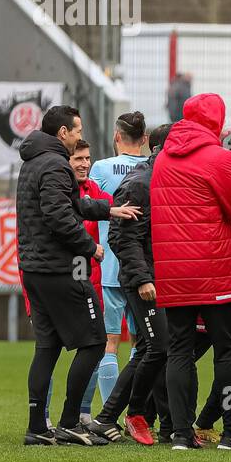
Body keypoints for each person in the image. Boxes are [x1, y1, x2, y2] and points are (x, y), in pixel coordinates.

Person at [17, 105, 138, 445]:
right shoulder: (55, 164)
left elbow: (71, 204)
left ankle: (37, 428)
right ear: (62, 134)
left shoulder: (32, 163)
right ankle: (72, 421)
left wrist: (108, 209)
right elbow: (59, 217)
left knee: (48, 348)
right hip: (59, 270)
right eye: (77, 130)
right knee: (96, 341)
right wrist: (89, 247)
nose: (80, 137)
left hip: (35, 270)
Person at [151, 92, 231, 451]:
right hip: (215, 267)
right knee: (227, 352)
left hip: (173, 269)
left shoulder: (164, 158)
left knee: (179, 350)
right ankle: (230, 430)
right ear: (216, 121)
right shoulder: (218, 157)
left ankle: (181, 433)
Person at [86, 124, 174, 446]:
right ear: (158, 148)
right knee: (154, 347)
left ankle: (109, 417)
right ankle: (129, 415)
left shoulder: (163, 181)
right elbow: (121, 237)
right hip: (140, 280)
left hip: (157, 278)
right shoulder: (139, 183)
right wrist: (142, 278)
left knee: (150, 348)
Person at [87, 111, 149, 423]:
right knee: (145, 346)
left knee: (110, 342)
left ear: (117, 136)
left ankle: (108, 414)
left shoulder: (100, 168)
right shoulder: (150, 169)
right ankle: (134, 414)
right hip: (143, 271)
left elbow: (86, 204)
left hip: (111, 266)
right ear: (146, 139)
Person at [67, 139, 111, 423]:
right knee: (50, 351)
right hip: (63, 282)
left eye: (87, 158)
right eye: (78, 159)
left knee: (96, 344)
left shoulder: (95, 191)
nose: (84, 163)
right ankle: (44, 417)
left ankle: (83, 413)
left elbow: (114, 208)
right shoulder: (56, 193)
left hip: (91, 283)